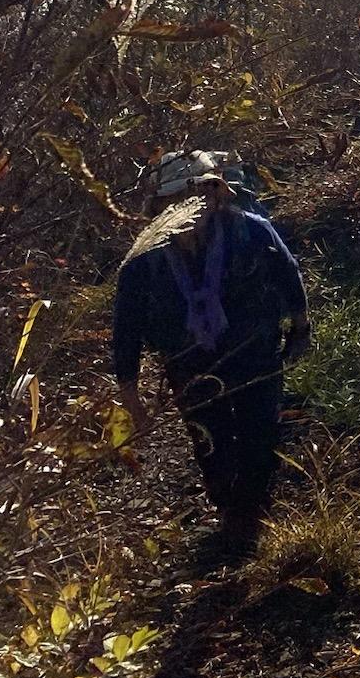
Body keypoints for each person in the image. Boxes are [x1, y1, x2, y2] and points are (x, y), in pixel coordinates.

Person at [113, 150, 312, 553]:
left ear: (214, 194)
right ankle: (232, 515)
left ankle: (255, 515)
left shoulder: (251, 232)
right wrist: (129, 390)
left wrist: (301, 327)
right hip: (190, 367)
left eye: (196, 198)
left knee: (260, 433)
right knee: (212, 443)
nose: (187, 210)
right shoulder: (143, 262)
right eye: (173, 203)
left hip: (255, 352)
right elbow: (127, 324)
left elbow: (288, 274)